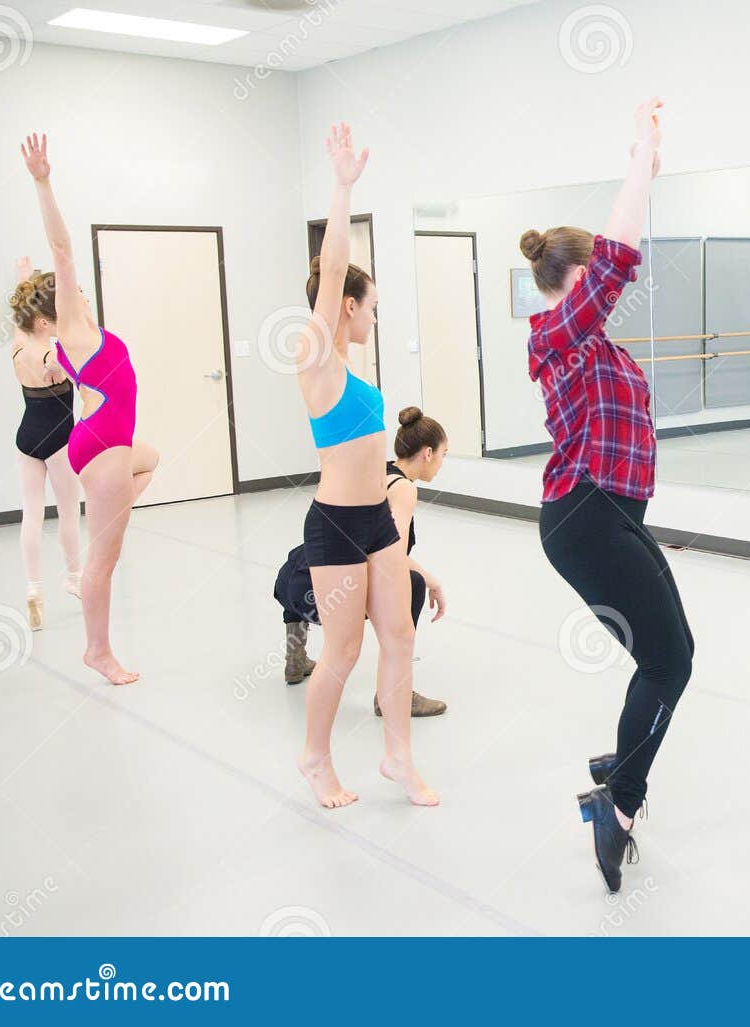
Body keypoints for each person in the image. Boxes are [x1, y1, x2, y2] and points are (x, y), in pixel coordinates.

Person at [525, 98, 690, 894]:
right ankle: (617, 803)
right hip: (587, 514)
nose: (611, 284)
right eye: (599, 274)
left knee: (660, 659)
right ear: (575, 279)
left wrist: (646, 166)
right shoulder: (556, 332)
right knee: (672, 658)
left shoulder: (593, 342)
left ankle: (616, 774)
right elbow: (620, 254)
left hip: (608, 518)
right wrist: (641, 159)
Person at [292, 123, 436, 809]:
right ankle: (315, 758)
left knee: (400, 634)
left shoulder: (350, 365)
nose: (372, 317)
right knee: (343, 652)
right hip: (335, 525)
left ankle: (398, 756)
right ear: (345, 306)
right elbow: (331, 272)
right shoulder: (317, 355)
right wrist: (343, 189)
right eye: (369, 307)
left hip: (376, 515)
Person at [19, 134, 159, 684]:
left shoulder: (72, 337)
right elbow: (62, 249)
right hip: (100, 444)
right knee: (104, 563)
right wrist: (43, 182)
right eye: (67, 293)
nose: (79, 292)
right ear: (57, 309)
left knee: (152, 459)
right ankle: (97, 651)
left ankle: (112, 513)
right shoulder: (72, 329)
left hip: (104, 442)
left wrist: (22, 278)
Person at [275, 407, 450, 719]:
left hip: (295, 583)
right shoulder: (405, 489)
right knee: (411, 585)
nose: (441, 463)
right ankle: (394, 694)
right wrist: (430, 578)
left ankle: (295, 657)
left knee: (307, 555)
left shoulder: (375, 472)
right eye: (443, 455)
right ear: (427, 453)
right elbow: (388, 553)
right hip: (329, 596)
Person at [7, 255, 82, 629]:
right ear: (42, 322)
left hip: (26, 438)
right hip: (59, 440)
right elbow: (79, 364)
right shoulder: (51, 355)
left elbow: (22, 308)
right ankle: (73, 577)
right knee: (68, 510)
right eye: (52, 319)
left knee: (31, 515)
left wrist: (24, 276)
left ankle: (33, 587)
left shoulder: (20, 344)